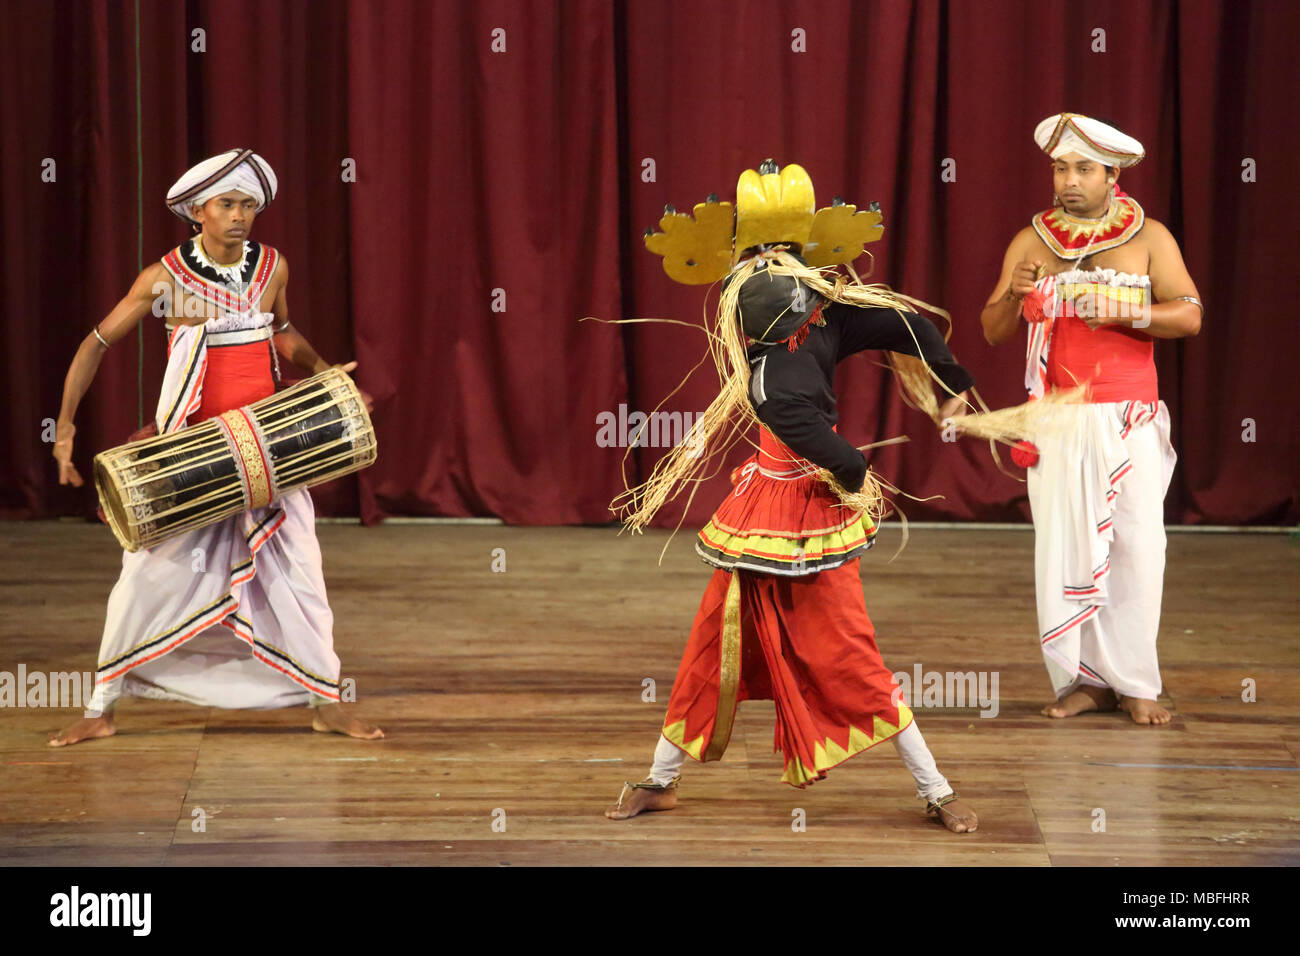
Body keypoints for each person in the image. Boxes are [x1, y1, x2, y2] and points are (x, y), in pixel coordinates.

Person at [605, 161, 979, 832]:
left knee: (848, 652)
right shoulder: (772, 361)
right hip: (775, 502)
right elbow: (793, 418)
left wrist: (949, 382)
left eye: (782, 256)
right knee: (711, 647)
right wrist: (856, 475)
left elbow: (903, 323)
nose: (773, 266)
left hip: (805, 509)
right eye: (763, 257)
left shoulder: (822, 323)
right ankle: (660, 780)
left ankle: (938, 789)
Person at [49, 148, 382, 745]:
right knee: (145, 579)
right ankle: (101, 709)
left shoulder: (273, 266)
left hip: (271, 449)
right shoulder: (166, 280)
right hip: (194, 457)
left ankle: (326, 702)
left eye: (248, 205)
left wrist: (332, 378)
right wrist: (67, 425)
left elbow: (282, 334)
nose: (239, 216)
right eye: (227, 204)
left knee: (302, 574)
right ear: (197, 211)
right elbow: (97, 342)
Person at [979, 114, 1202, 726]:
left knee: (1137, 546)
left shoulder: (1149, 236)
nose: (1069, 181)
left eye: (1083, 169)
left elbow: (1189, 316)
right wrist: (1014, 293)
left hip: (1127, 416)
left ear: (1113, 174)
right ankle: (1083, 681)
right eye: (1060, 168)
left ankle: (1134, 682)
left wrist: (1124, 312)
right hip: (1058, 422)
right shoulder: (1032, 243)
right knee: (1064, 549)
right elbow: (992, 329)